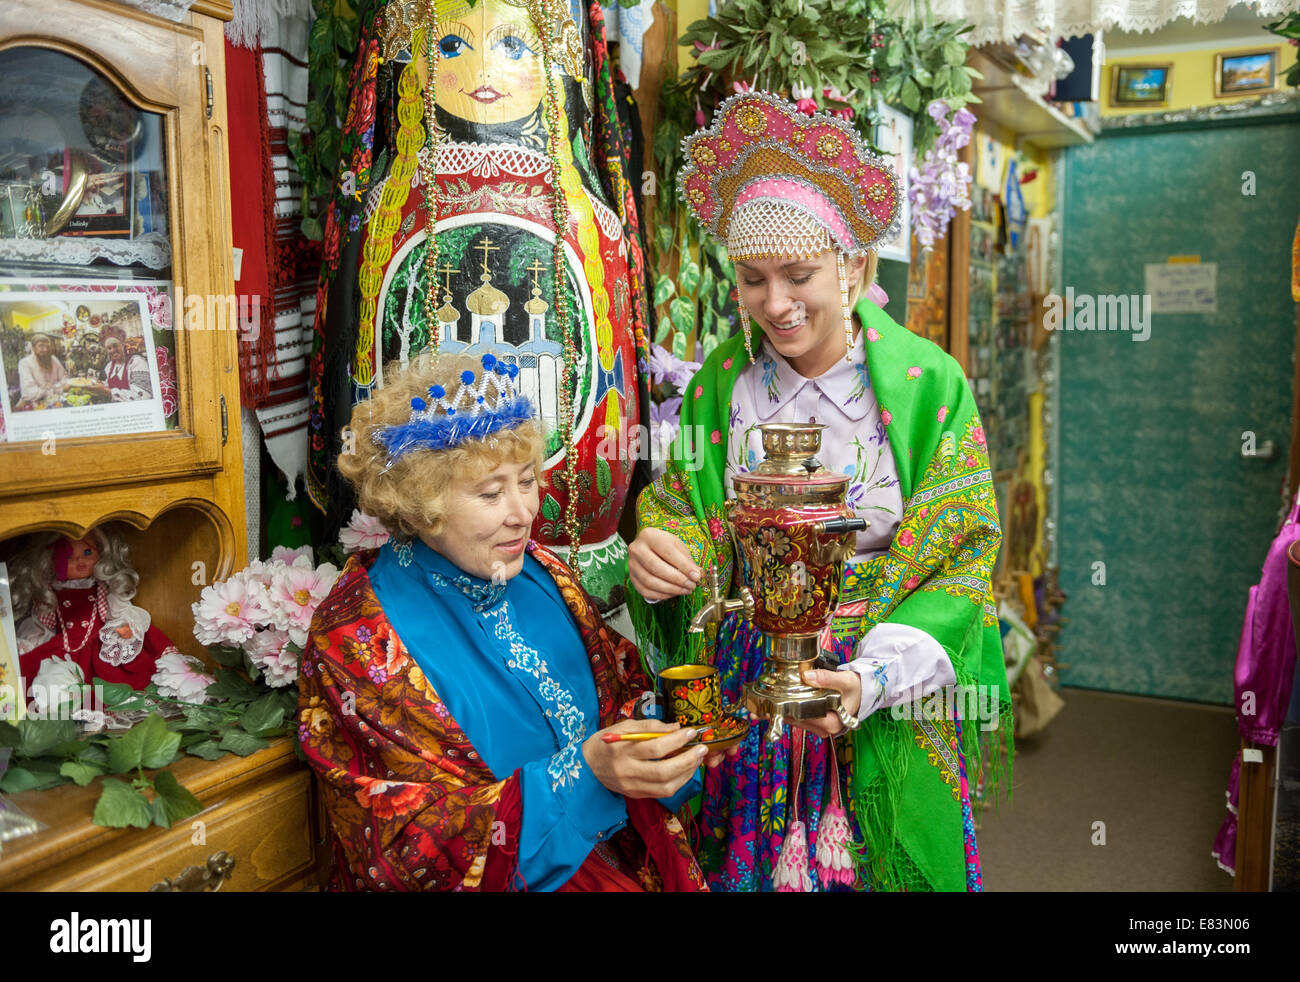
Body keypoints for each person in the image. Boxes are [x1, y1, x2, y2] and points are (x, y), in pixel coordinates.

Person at [626, 92, 1011, 892]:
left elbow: (965, 553)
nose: (775, 304)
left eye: (799, 274)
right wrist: (669, 553)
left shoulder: (926, 385)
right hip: (750, 690)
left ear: (857, 267)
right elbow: (683, 512)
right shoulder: (718, 386)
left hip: (880, 684)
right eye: (752, 279)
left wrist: (873, 676)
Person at [298, 351, 720, 891]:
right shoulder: (357, 637)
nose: (523, 512)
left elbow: (623, 690)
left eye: (527, 481)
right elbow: (401, 846)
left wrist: (665, 732)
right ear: (423, 502)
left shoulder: (545, 574)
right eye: (491, 493)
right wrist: (583, 777)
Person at [11, 527, 181, 692]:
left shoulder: (101, 590)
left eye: (87, 553)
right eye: (69, 556)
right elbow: (42, 628)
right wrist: (28, 645)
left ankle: (166, 656)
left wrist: (124, 631)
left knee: (119, 678)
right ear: (51, 561)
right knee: (37, 679)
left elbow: (117, 615)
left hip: (97, 651)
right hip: (64, 653)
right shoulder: (52, 595)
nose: (80, 562)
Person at [94, 326, 152, 401]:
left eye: (115, 346)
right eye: (109, 348)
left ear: (123, 345)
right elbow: (110, 385)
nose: (112, 350)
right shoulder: (109, 366)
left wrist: (106, 391)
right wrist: (100, 384)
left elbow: (142, 396)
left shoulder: (136, 362)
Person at [16, 332, 67, 408]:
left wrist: (50, 387)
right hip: (33, 407)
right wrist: (54, 389)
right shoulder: (25, 363)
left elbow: (64, 378)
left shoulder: (53, 359)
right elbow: (29, 393)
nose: (45, 349)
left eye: (48, 346)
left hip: (55, 403)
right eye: (41, 346)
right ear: (33, 348)